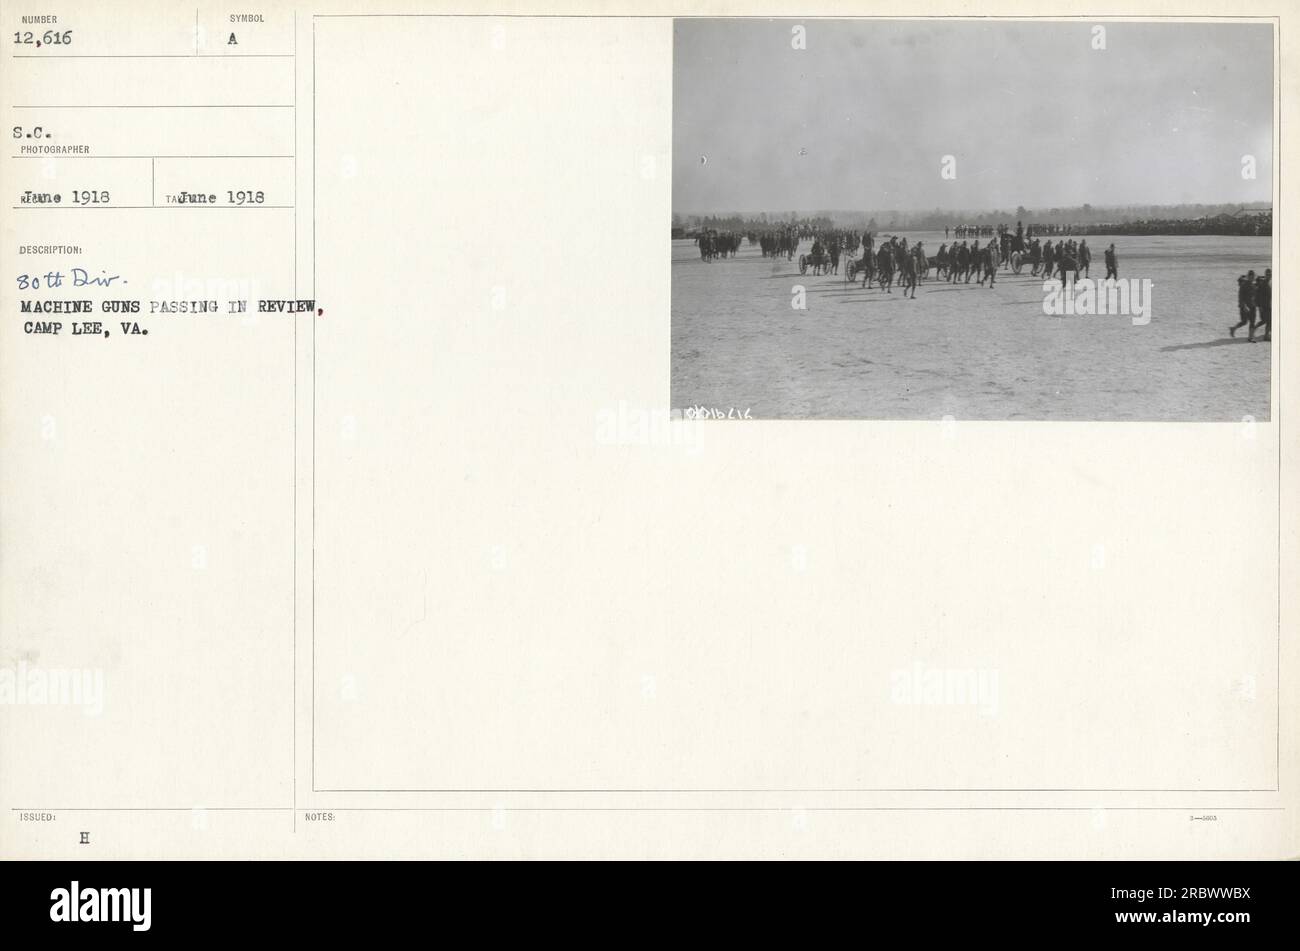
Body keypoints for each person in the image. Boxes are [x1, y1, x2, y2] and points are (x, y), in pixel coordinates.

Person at [1230, 271, 1257, 338]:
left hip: (1252, 306)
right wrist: (1244, 306)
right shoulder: (1244, 285)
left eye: (1253, 277)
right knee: (1244, 322)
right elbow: (1241, 297)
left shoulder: (1253, 285)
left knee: (1252, 321)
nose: (1252, 278)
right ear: (1248, 277)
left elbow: (1254, 295)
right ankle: (1234, 328)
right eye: (1250, 277)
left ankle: (1250, 336)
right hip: (1245, 307)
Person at [1252, 269, 1271, 342]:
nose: (1269, 275)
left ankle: (1265, 334)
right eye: (1268, 274)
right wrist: (1260, 307)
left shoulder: (1269, 282)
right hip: (1265, 306)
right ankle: (1266, 336)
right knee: (1268, 321)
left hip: (1269, 305)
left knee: (1266, 321)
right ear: (1265, 275)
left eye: (1270, 274)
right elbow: (1260, 296)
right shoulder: (1264, 284)